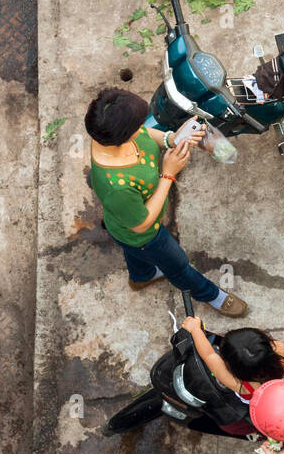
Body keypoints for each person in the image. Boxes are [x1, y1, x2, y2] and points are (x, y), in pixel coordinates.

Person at [85, 87, 248, 316]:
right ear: (122, 135)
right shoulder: (117, 188)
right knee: (178, 266)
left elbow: (143, 133)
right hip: (144, 234)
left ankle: (141, 277)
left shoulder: (107, 134)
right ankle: (210, 295)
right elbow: (141, 224)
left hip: (120, 224)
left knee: (135, 254)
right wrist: (168, 174)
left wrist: (171, 139)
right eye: (136, 125)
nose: (142, 126)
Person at [181, 320, 284, 404]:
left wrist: (195, 330)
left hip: (265, 403)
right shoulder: (279, 349)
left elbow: (209, 355)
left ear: (232, 367)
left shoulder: (239, 385)